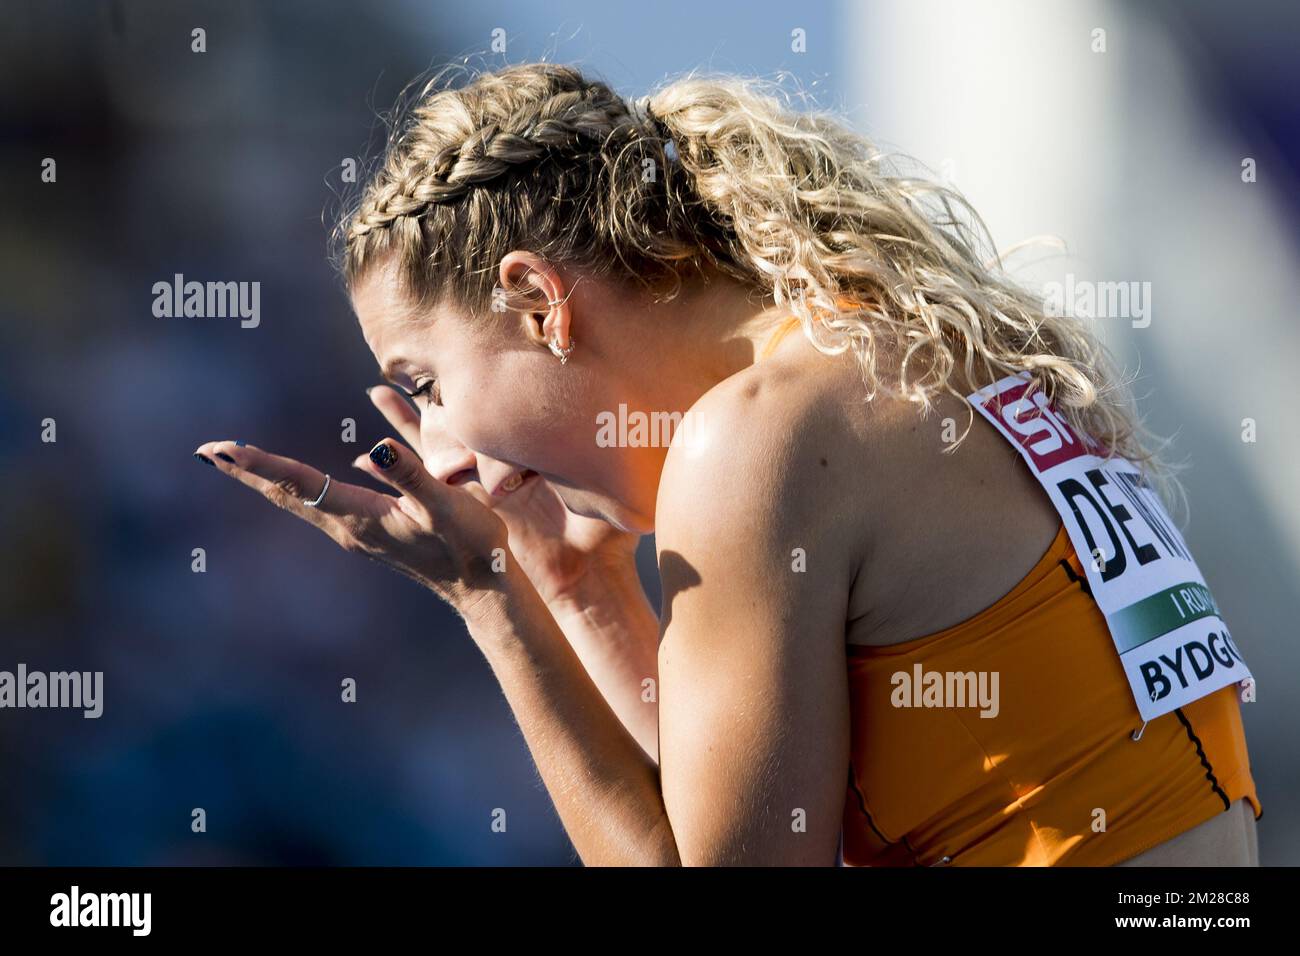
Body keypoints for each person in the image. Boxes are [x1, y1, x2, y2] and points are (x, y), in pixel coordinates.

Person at [194, 63, 1260, 866]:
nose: (451, 462)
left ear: (535, 301)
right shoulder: (878, 352)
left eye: (425, 385)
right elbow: (759, 802)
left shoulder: (756, 438)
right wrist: (577, 581)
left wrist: (487, 594)